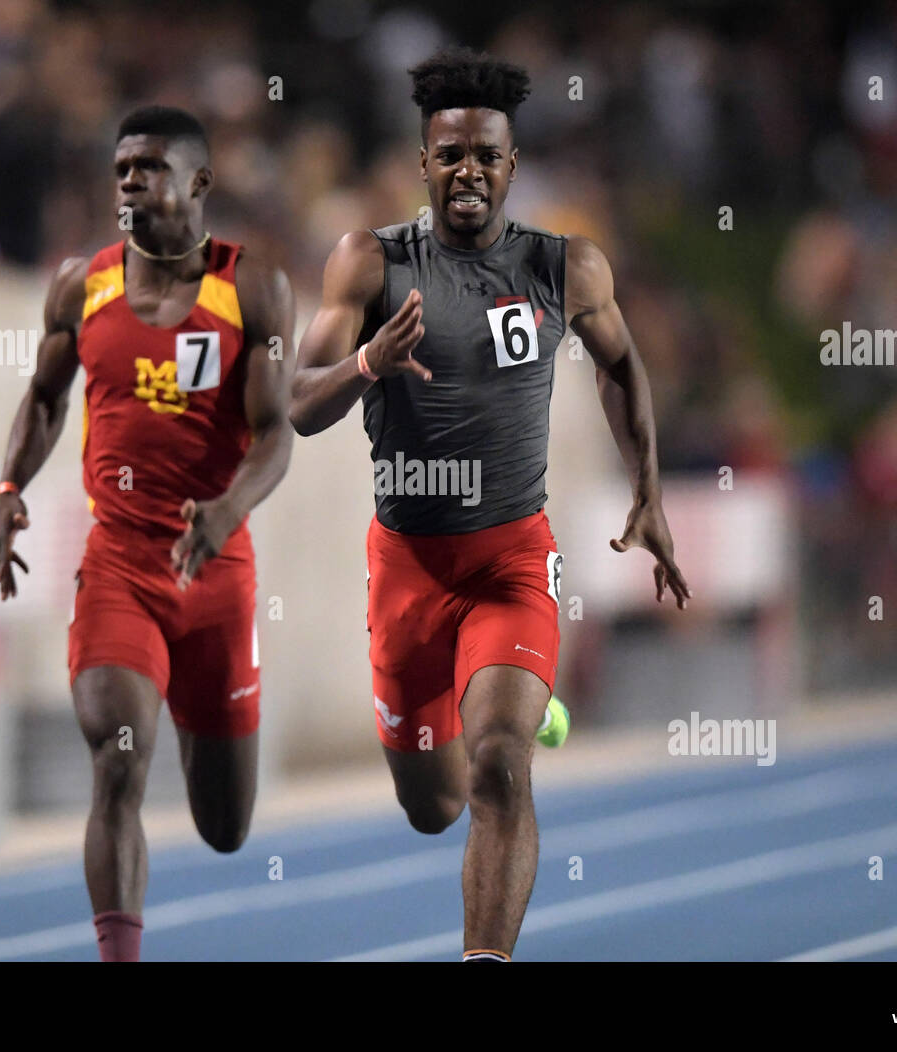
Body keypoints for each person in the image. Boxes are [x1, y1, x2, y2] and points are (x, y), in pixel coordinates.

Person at [290, 47, 688, 961]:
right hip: (406, 570)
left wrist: (649, 492)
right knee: (432, 807)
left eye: (487, 156)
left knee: (502, 769)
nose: (468, 170)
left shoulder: (564, 267)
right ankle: (491, 704)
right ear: (424, 163)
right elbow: (296, 406)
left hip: (512, 558)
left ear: (512, 166)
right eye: (450, 154)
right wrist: (364, 365)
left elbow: (623, 365)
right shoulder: (370, 263)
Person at [0, 105, 295, 962]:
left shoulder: (254, 288)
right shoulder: (80, 286)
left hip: (217, 573)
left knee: (227, 827)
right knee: (118, 762)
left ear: (198, 183)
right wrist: (12, 482)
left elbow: (277, 433)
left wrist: (230, 508)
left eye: (149, 166)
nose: (128, 180)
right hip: (120, 567)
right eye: (120, 166)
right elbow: (46, 398)